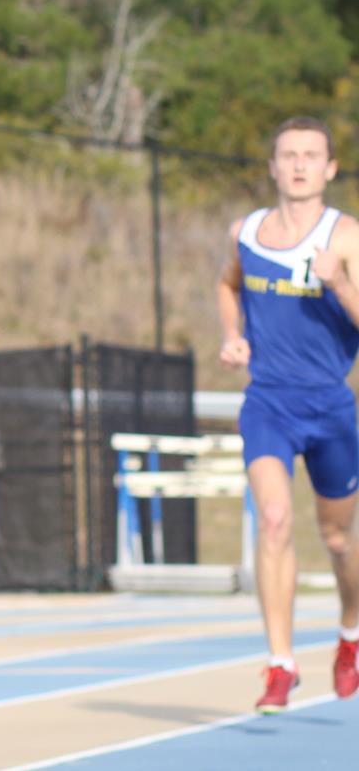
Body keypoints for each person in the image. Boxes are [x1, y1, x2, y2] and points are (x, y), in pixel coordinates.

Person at [217, 117, 359, 713]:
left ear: (329, 168)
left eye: (311, 155)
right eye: (288, 155)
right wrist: (233, 336)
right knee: (273, 518)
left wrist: (338, 285)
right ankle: (282, 663)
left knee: (337, 537)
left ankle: (350, 634)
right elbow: (227, 286)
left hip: (330, 404)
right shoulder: (245, 231)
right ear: (273, 167)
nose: (298, 165)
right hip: (269, 400)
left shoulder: (346, 235)